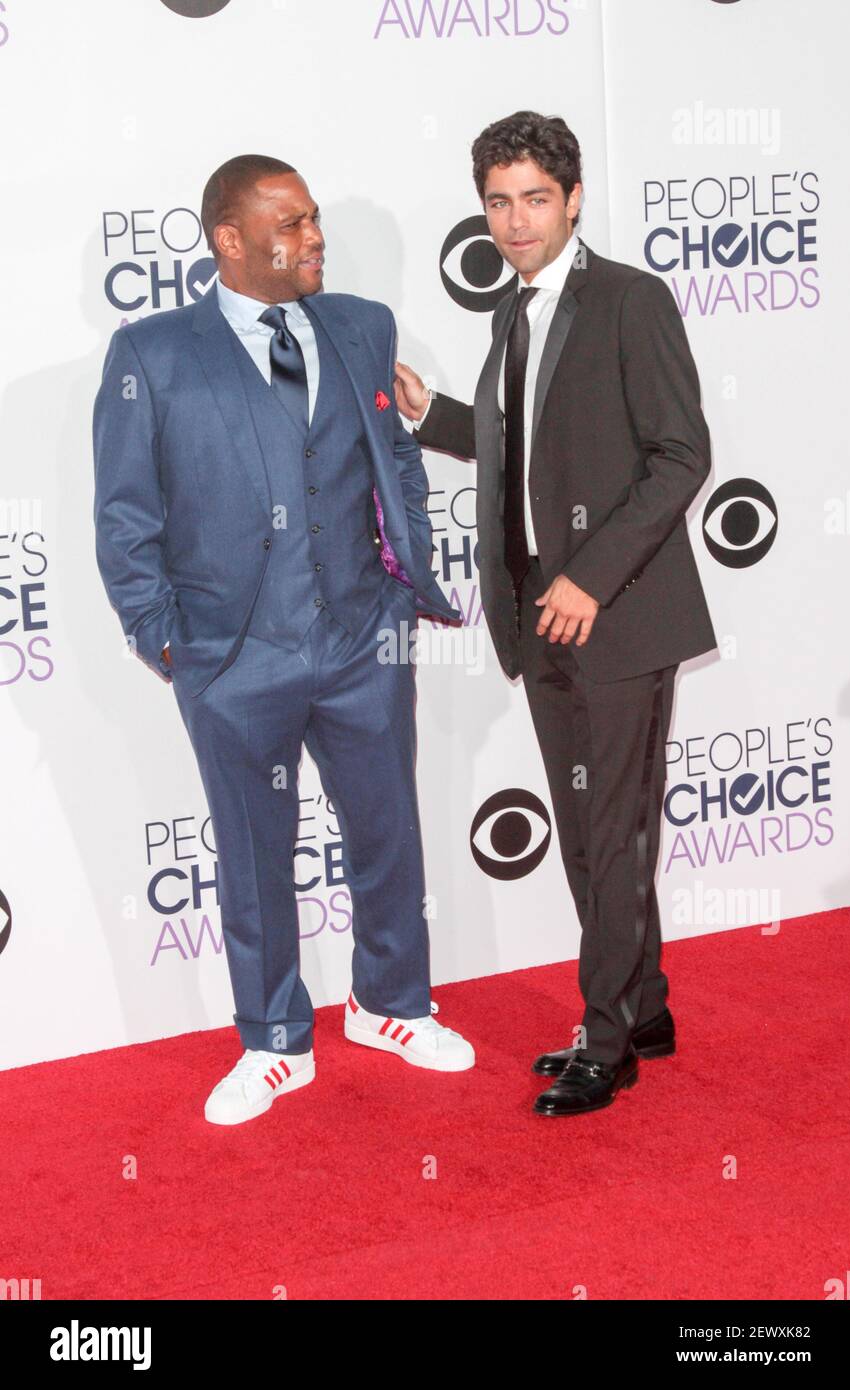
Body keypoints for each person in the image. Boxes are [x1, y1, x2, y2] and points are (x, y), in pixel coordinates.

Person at [93, 154, 474, 1127]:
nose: (315, 239)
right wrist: (173, 645)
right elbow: (126, 520)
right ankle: (273, 1040)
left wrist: (401, 581)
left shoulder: (358, 325)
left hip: (361, 640)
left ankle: (391, 1004)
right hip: (232, 659)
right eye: (295, 224)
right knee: (255, 853)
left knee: (387, 832)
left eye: (314, 222)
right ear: (230, 240)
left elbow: (395, 456)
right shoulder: (154, 355)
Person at [395, 111, 717, 1117]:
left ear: (573, 199)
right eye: (499, 200)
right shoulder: (514, 314)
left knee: (609, 832)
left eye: (535, 197)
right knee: (589, 830)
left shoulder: (628, 298)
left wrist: (590, 576)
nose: (516, 218)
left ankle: (607, 1038)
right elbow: (522, 443)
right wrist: (431, 416)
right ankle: (646, 1005)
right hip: (538, 621)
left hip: (616, 617)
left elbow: (682, 458)